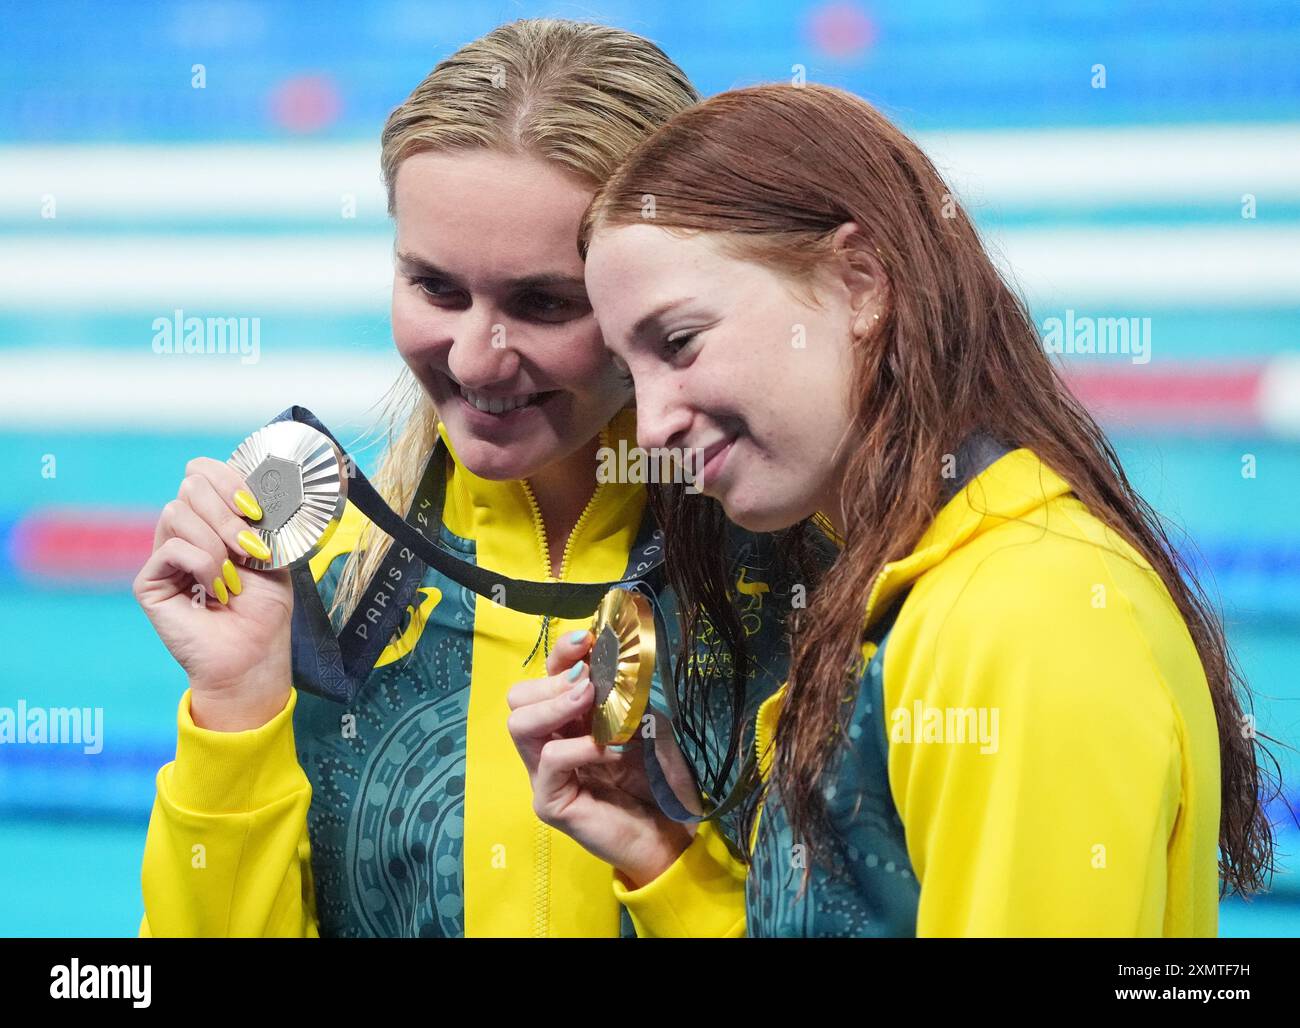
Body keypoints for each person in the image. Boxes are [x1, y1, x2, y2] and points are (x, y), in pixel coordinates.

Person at [508, 83, 1277, 936]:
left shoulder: (1025, 616)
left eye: (679, 343)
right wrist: (655, 852)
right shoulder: (915, 594)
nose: (652, 427)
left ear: (861, 283)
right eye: (630, 373)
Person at [132, 20, 787, 938]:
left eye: (544, 302)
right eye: (436, 289)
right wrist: (236, 709)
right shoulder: (319, 592)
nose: (478, 359)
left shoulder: (793, 579)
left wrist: (669, 873)